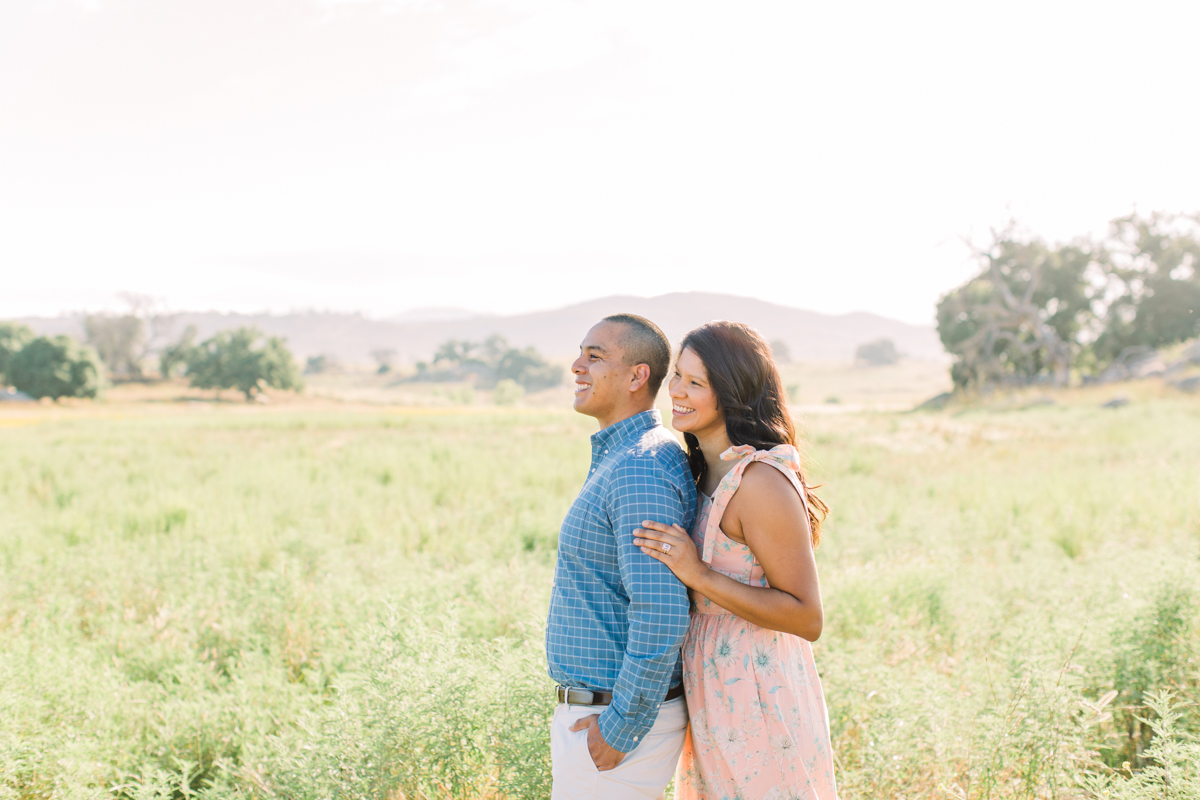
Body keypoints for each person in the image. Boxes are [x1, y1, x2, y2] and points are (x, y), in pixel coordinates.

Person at [632, 320, 838, 800]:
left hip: (761, 691)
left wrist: (697, 574)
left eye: (696, 383)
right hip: (711, 689)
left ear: (732, 393)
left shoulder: (760, 481)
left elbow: (807, 617)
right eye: (677, 376)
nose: (677, 392)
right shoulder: (701, 470)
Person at [545, 313, 699, 800]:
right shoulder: (629, 458)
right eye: (580, 353)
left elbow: (660, 611)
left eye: (595, 356)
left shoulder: (639, 470)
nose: (577, 366)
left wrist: (619, 729)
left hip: (613, 723)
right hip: (603, 716)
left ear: (638, 376)